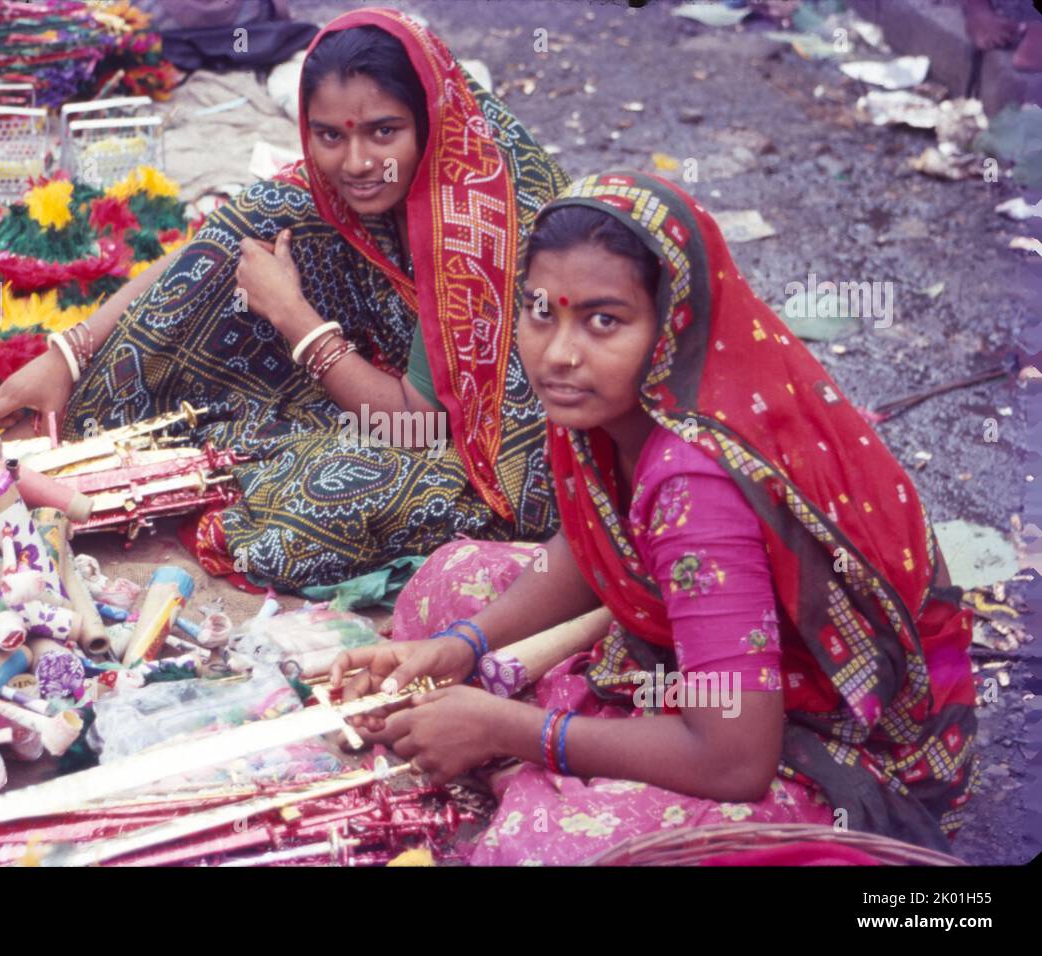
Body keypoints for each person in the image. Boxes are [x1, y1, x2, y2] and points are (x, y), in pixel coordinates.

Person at [332, 172, 978, 865]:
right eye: (540, 311)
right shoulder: (610, 403)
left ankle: (533, 772)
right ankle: (534, 762)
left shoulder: (697, 481)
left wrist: (510, 728)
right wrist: (462, 647)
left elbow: (736, 762)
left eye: (604, 320)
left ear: (673, 322)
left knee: (540, 853)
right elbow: (595, 545)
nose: (558, 353)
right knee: (447, 581)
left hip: (823, 750)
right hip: (706, 664)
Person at [0, 7, 568, 592]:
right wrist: (67, 355)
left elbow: (415, 429)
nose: (358, 162)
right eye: (329, 135)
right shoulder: (362, 177)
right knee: (274, 214)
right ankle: (97, 431)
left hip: (490, 455)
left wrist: (294, 317)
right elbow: (217, 247)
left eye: (384, 132)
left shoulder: (477, 219)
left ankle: (224, 463)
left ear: (429, 119)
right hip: (390, 387)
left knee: (306, 519)